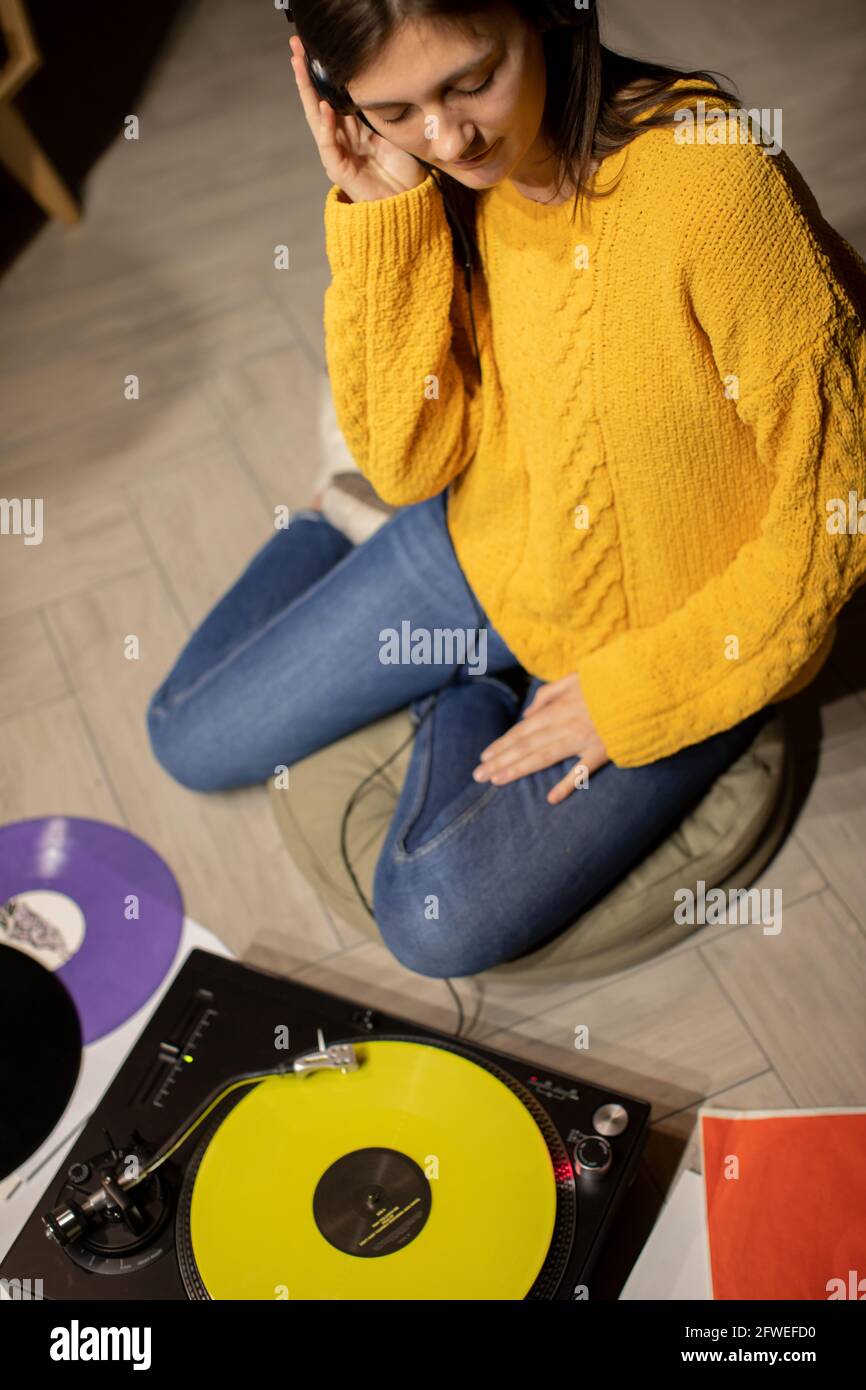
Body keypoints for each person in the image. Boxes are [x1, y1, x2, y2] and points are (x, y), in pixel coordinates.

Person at [147, 0, 866, 979]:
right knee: (183, 735)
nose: (447, 136)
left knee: (435, 920)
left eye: (469, 80)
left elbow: (836, 507)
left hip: (666, 628)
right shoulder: (432, 176)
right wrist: (379, 206)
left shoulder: (713, 182)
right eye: (393, 108)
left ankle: (471, 680)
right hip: (480, 542)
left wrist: (638, 695)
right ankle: (343, 537)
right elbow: (406, 463)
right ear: (335, 98)